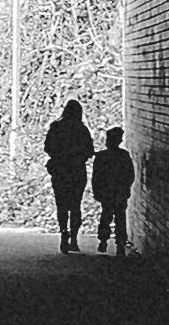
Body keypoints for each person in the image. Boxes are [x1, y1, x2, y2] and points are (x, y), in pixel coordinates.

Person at [43, 94, 96, 253]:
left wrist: (60, 155)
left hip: (59, 171)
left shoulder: (56, 127)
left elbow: (48, 148)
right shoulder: (82, 129)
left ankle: (63, 233)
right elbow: (89, 151)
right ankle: (73, 238)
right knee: (75, 205)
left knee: (61, 204)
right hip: (77, 171)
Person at [90, 123, 135, 256]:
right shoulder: (124, 155)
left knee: (106, 215)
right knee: (120, 217)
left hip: (106, 192)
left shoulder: (101, 156)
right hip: (120, 192)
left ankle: (103, 240)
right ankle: (120, 244)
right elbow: (130, 175)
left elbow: (96, 177)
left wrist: (97, 191)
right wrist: (126, 188)